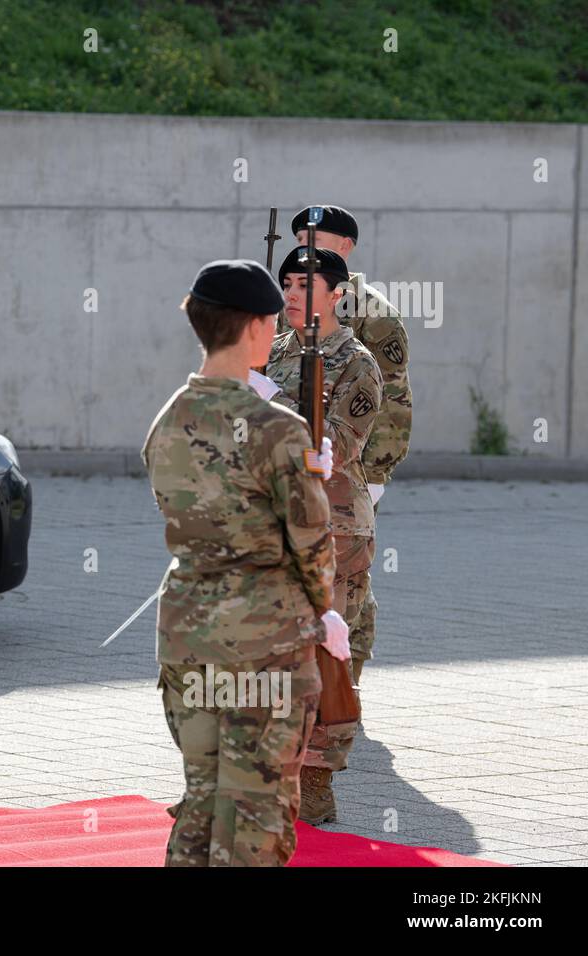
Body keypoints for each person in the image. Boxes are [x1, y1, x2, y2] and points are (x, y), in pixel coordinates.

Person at [142, 258, 348, 866]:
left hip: (186, 633)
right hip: (266, 641)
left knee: (201, 801)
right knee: (256, 812)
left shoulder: (167, 420)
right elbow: (311, 544)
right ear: (256, 327)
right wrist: (325, 613)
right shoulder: (277, 428)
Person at [259, 245, 383, 825]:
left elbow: (335, 446)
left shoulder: (357, 363)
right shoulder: (272, 349)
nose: (290, 294)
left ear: (337, 294)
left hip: (334, 526)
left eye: (306, 285)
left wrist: (269, 397)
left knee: (328, 652)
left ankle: (316, 777)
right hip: (274, 521)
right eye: (286, 282)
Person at [288, 205, 413, 679]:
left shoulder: (375, 315)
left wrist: (377, 472)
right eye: (301, 240)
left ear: (346, 247)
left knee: (347, 571)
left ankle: (347, 672)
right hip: (301, 460)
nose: (306, 248)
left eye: (316, 240)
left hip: (351, 464)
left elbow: (393, 400)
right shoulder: (296, 302)